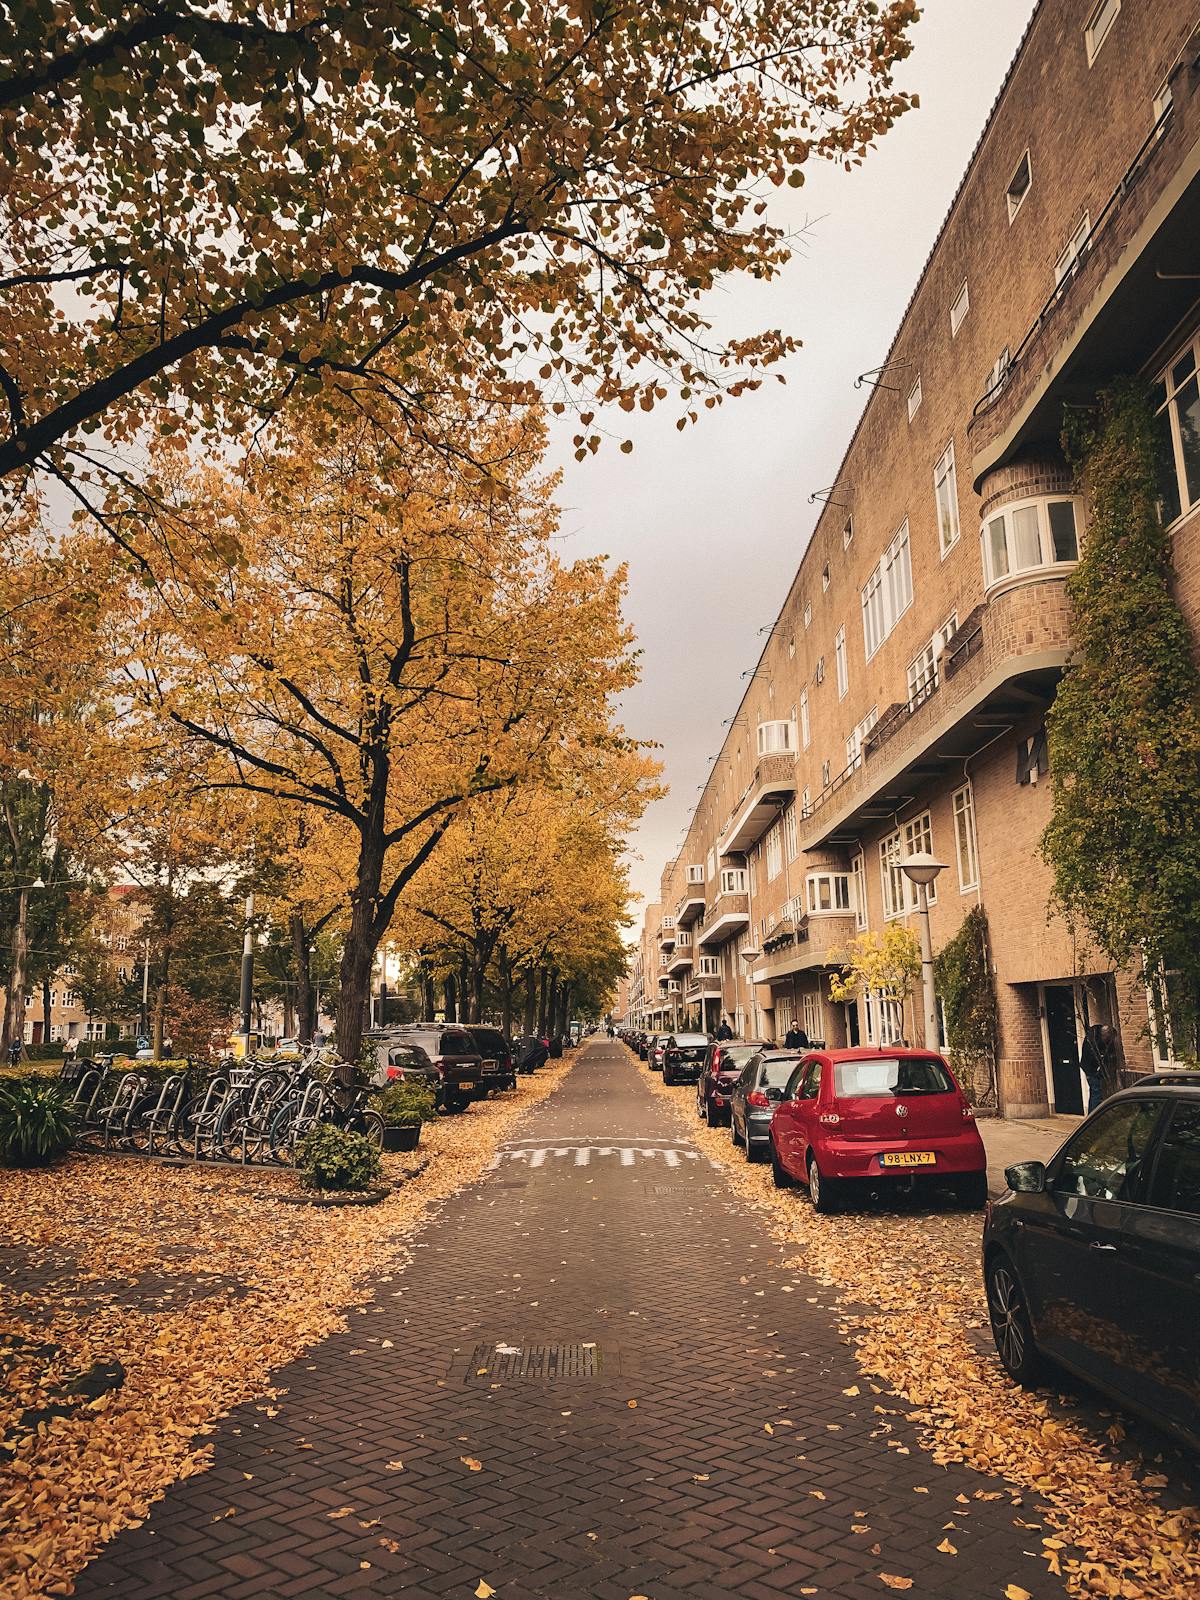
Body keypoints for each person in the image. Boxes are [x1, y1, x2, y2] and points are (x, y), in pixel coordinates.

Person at [1080, 1021, 1120, 1112]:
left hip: (1093, 1068)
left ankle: (1091, 1115)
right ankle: (1094, 1116)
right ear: (1105, 1035)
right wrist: (1096, 1070)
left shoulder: (1097, 1036)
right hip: (1090, 1068)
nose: (1109, 1042)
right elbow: (1091, 1057)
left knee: (1094, 1092)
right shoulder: (1093, 1039)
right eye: (1108, 1039)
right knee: (1097, 1092)